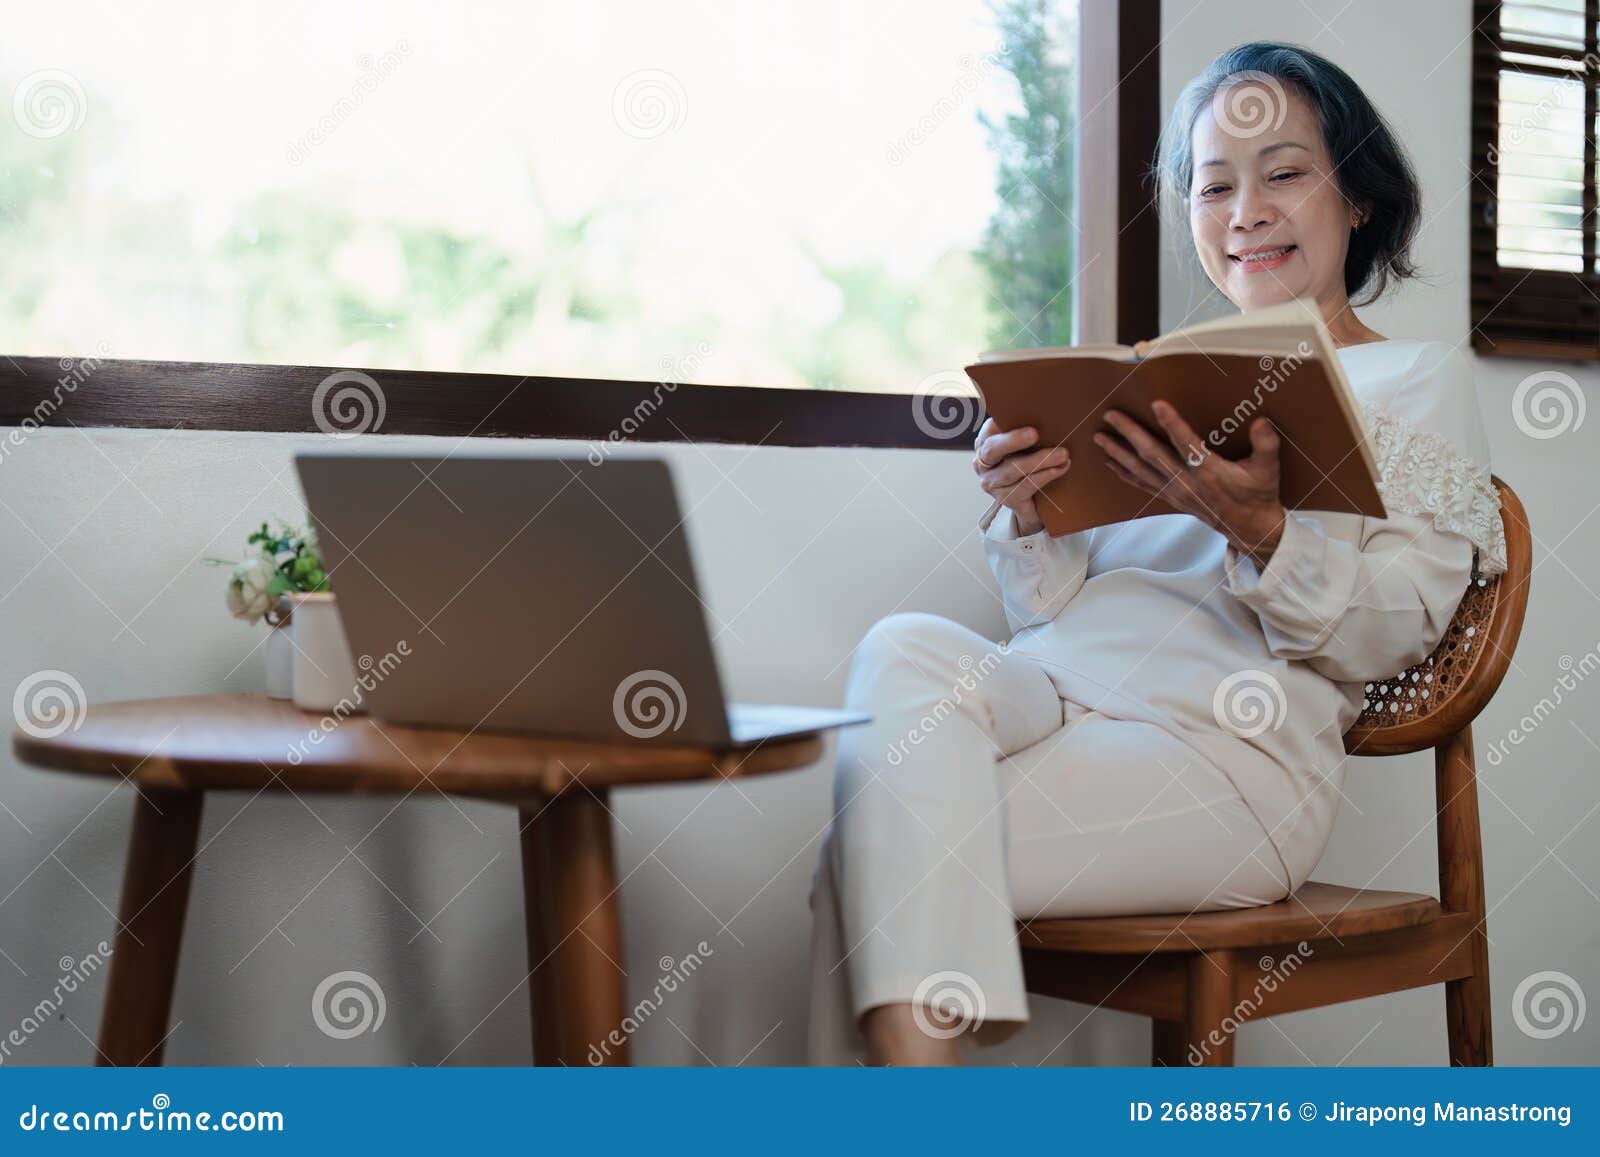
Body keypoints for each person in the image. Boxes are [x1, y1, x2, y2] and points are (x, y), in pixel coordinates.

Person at [807, 41, 1509, 1066]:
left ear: (1356, 196)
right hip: (1055, 690)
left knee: (862, 853)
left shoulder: (1416, 379)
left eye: (1283, 173)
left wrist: (1263, 531)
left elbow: (1396, 631)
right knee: (902, 645)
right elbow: (1046, 615)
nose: (1245, 212)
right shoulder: (1159, 383)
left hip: (1228, 755)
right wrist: (1031, 511)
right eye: (1214, 186)